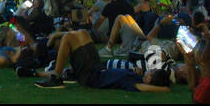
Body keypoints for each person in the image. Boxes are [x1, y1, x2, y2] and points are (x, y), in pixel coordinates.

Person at [33, 30, 170, 92]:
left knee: (68, 37)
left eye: (151, 74)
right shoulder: (136, 75)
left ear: (151, 81)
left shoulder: (135, 83)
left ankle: (55, 77)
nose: (149, 72)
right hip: (97, 67)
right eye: (152, 71)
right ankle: (56, 36)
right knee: (83, 32)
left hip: (89, 77)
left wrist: (162, 89)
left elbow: (145, 88)